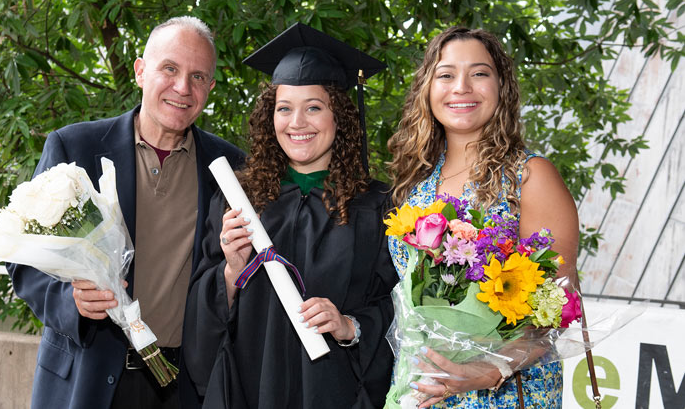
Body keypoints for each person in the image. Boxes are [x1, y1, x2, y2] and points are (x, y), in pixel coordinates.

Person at [7, 16, 245, 409]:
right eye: (170, 68)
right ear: (140, 71)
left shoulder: (229, 169)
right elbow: (24, 264)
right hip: (87, 381)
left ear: (211, 87)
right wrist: (72, 302)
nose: (183, 87)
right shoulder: (74, 148)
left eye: (198, 76)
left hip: (181, 387)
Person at [182, 23, 399, 409]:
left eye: (313, 107)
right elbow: (200, 317)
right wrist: (231, 272)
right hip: (249, 390)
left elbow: (397, 304)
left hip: (336, 392)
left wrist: (351, 326)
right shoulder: (238, 201)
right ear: (271, 118)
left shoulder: (378, 206)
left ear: (341, 117)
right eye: (284, 109)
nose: (297, 123)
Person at [387, 26, 580, 408]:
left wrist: (488, 369)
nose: (461, 87)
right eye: (446, 75)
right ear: (428, 88)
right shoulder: (415, 184)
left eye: (479, 73)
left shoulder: (529, 176)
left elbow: (555, 303)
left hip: (506, 392)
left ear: (501, 87)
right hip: (422, 388)